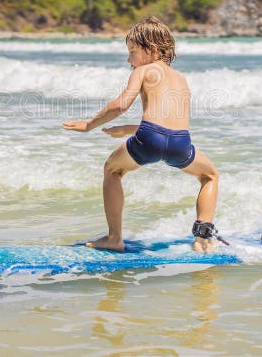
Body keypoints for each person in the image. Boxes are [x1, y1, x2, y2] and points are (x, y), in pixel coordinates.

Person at [63, 16, 223, 253]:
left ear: (153, 50)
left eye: (132, 52)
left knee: (112, 170)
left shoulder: (144, 70)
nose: (129, 59)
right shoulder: (181, 79)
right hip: (180, 142)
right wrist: (130, 130)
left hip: (149, 138)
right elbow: (168, 126)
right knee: (210, 176)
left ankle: (114, 238)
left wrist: (89, 125)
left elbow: (121, 105)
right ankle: (202, 237)